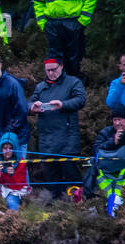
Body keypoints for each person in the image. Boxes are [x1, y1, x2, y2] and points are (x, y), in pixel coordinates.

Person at [29, 57, 86, 190]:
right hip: (46, 140)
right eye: (47, 70)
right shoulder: (41, 87)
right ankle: (56, 205)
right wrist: (32, 107)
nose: (50, 73)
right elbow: (28, 103)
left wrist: (63, 104)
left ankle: (77, 204)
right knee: (51, 178)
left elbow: (80, 100)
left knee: (72, 176)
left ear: (61, 66)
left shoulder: (73, 82)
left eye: (53, 70)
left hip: (67, 140)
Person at [33, 1, 94, 80]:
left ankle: (74, 83)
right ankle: (57, 83)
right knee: (55, 56)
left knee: (74, 56)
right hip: (52, 22)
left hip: (73, 20)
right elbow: (38, 2)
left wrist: (83, 20)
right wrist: (42, 22)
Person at [0, 54, 29, 148]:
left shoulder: (13, 84)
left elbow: (22, 111)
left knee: (17, 163)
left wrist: (8, 132)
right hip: (0, 137)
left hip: (16, 138)